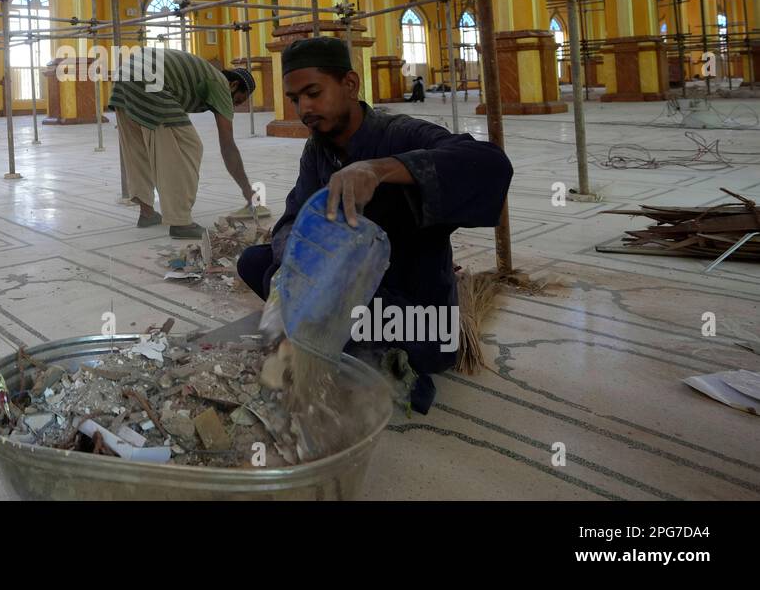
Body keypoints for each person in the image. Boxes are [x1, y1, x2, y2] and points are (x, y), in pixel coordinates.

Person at [237, 36, 512, 412]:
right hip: (342, 294)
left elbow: (489, 165)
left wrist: (381, 170)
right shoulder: (318, 149)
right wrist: (299, 265)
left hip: (411, 314)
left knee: (337, 314)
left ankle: (392, 363)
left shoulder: (400, 133)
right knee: (255, 262)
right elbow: (292, 218)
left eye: (314, 93)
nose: (304, 108)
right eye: (295, 99)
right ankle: (330, 335)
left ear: (350, 85)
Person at [109, 48, 256, 239]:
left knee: (140, 149)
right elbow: (227, 145)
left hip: (123, 77)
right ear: (234, 85)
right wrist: (246, 187)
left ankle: (147, 213)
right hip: (150, 78)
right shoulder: (221, 84)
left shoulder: (201, 77)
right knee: (188, 146)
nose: (233, 106)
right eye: (237, 100)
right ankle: (181, 223)